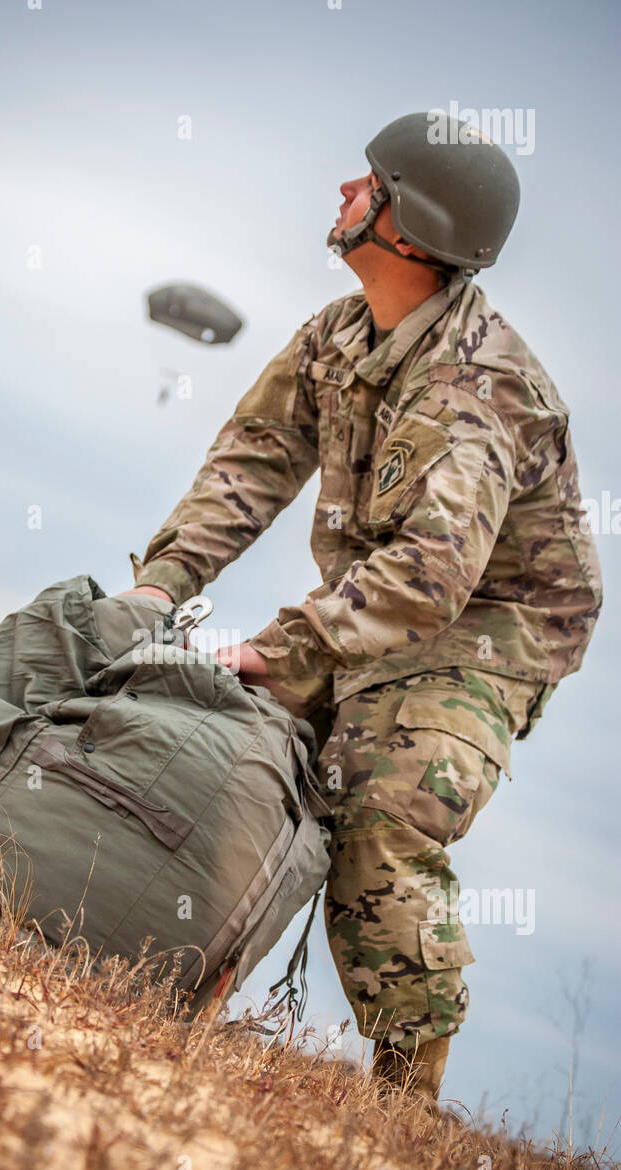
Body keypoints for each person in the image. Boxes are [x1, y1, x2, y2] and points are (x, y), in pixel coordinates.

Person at [121, 112, 602, 1111]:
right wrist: (161, 585)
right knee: (236, 753)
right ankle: (172, 994)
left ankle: (404, 1100)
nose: (346, 186)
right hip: (375, 602)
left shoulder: (477, 392)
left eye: (370, 180)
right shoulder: (339, 337)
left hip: (492, 638)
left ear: (409, 226)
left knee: (381, 809)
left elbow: (433, 576)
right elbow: (252, 462)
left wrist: (281, 648)